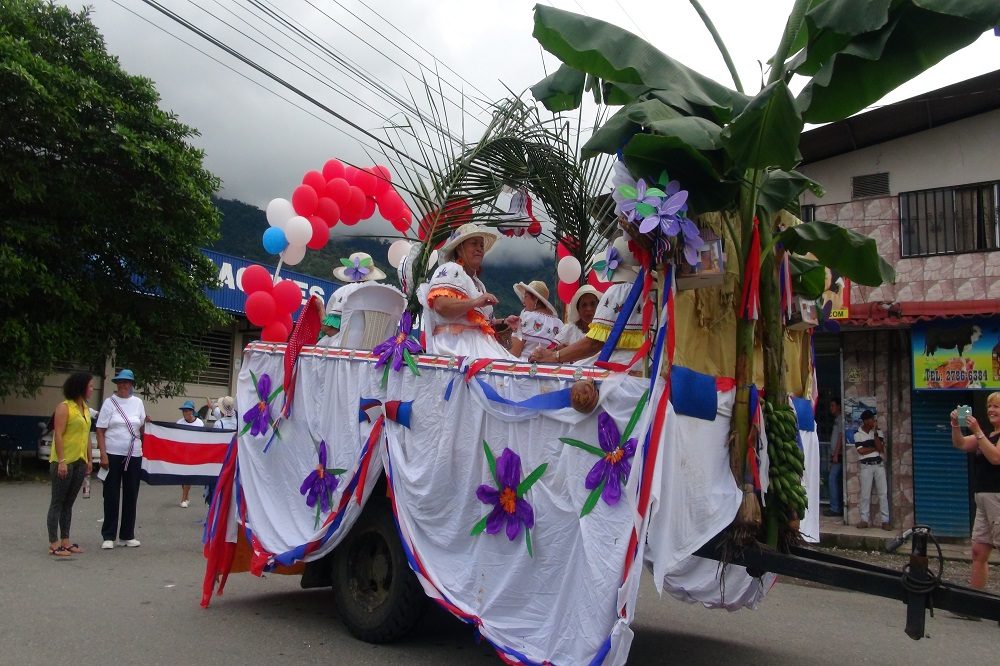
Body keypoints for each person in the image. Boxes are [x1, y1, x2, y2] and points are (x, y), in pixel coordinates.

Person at [531, 236, 647, 372]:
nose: (589, 309)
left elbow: (594, 343)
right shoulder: (651, 291)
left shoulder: (619, 292)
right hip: (644, 365)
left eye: (593, 304)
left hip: (620, 367)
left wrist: (555, 356)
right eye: (584, 305)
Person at [417, 223, 517, 359]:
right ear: (459, 248)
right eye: (474, 244)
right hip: (456, 345)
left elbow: (479, 321)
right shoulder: (450, 269)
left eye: (481, 246)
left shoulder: (478, 284)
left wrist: (503, 322)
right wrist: (475, 302)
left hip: (478, 346)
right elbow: (440, 306)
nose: (479, 249)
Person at [950, 393, 1000, 592]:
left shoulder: (984, 435)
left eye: (996, 406)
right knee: (979, 550)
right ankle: (975, 600)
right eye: (990, 406)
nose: (991, 410)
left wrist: (978, 431)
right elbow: (961, 444)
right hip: (983, 498)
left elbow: (996, 458)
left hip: (997, 497)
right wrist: (955, 425)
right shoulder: (987, 434)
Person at [96, 369, 147, 549]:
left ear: (132, 384)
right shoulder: (109, 403)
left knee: (131, 493)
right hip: (112, 453)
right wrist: (103, 454)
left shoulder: (138, 403)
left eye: (127, 382)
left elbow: (142, 428)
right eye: (121, 382)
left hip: (134, 454)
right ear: (117, 384)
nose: (124, 385)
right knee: (110, 494)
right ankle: (108, 535)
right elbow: (100, 430)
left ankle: (127, 534)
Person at [45, 372, 94, 556]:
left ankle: (65, 540)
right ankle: (53, 542)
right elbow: (58, 434)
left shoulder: (86, 409)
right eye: (89, 386)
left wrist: (89, 459)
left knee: (69, 503)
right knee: (57, 502)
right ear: (80, 387)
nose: (91, 389)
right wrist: (62, 461)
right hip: (64, 461)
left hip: (80, 461)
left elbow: (87, 434)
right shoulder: (64, 407)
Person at [853, 409, 890, 530]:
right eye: (871, 419)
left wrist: (874, 434)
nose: (874, 421)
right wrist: (874, 449)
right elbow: (860, 450)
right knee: (865, 494)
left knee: (883, 494)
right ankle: (864, 520)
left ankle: (885, 521)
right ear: (865, 421)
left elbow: (881, 448)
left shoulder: (878, 432)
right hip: (866, 467)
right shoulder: (857, 434)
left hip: (879, 466)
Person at [509, 280, 561, 360]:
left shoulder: (527, 317)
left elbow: (515, 352)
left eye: (526, 297)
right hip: (548, 368)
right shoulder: (558, 323)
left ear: (536, 299)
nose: (523, 302)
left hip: (525, 366)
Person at [177, 400, 204, 508]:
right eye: (184, 410)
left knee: (188, 475)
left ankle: (183, 498)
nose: (185, 412)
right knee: (182, 476)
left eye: (187, 410)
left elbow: (201, 438)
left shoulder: (199, 423)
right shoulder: (179, 422)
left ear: (192, 411)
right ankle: (186, 496)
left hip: (193, 452)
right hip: (182, 452)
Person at [825, 398, 844, 517]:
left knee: (832, 479)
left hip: (839, 455)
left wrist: (836, 454)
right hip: (835, 454)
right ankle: (837, 506)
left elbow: (841, 437)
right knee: (835, 480)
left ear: (839, 406)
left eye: (832, 405)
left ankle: (835, 508)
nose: (830, 408)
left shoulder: (841, 419)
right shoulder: (837, 419)